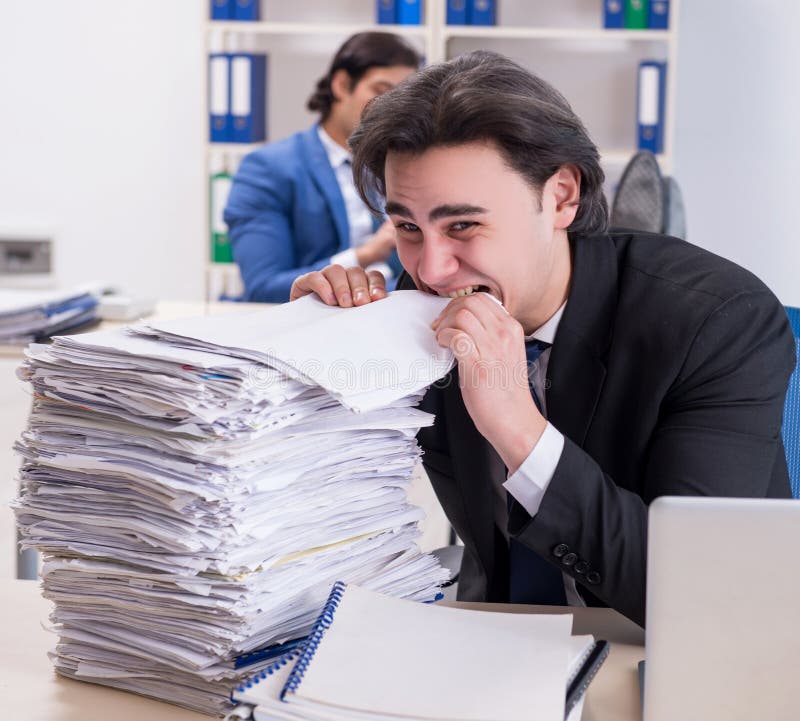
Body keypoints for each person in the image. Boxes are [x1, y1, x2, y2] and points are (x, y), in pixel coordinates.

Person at [289, 51, 796, 628]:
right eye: (408, 227)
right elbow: (315, 494)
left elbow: (697, 593)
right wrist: (307, 356)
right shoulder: (426, 300)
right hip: (494, 637)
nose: (431, 268)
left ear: (560, 197)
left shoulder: (718, 320)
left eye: (463, 226)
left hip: (667, 652)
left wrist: (519, 427)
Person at [224, 32, 421, 302]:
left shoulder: (403, 164)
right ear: (342, 85)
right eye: (381, 91)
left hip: (391, 314)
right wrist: (365, 255)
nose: (391, 108)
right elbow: (263, 286)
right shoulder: (268, 168)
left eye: (401, 97)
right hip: (311, 319)